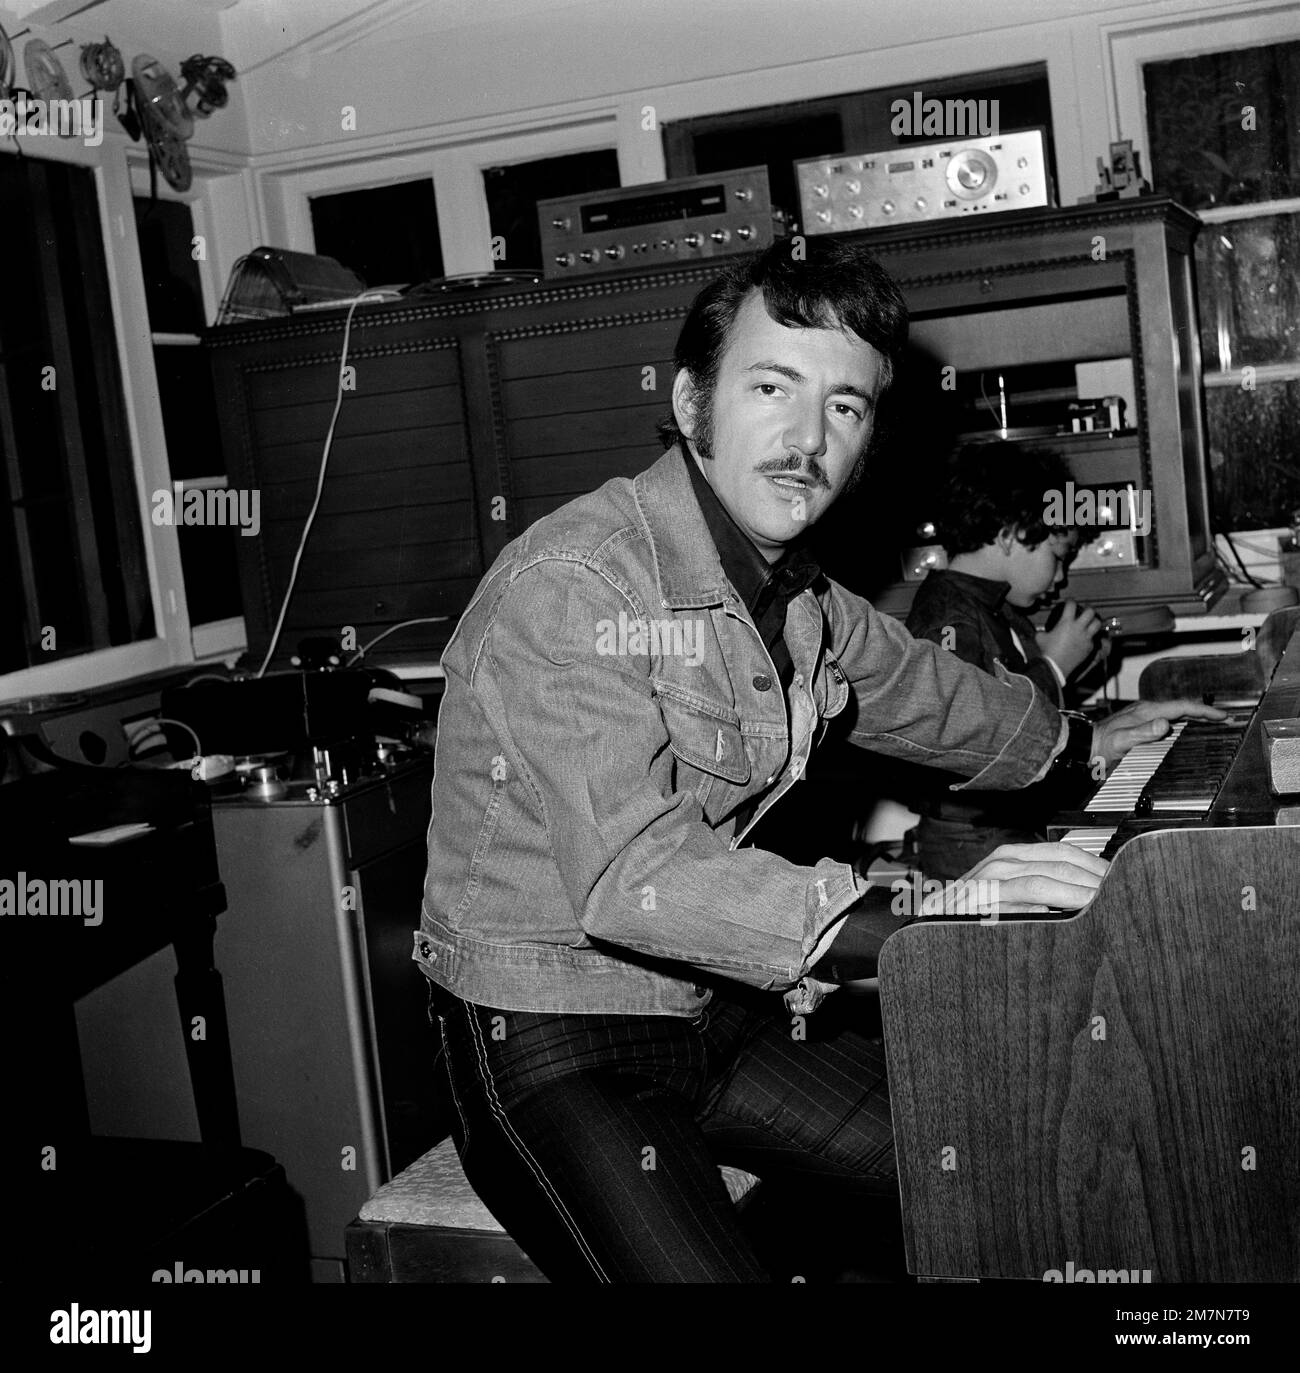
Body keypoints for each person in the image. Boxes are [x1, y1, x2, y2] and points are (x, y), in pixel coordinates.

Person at [413, 238, 1220, 1283]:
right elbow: (636, 880)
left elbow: (937, 699)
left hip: (718, 1006)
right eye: (771, 386)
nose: (807, 437)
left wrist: (1074, 743)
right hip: (558, 1033)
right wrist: (926, 910)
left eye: (845, 406)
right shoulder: (577, 582)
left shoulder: (798, 590)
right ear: (693, 398)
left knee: (1005, 1162)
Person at [903, 443, 1105, 879]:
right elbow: (969, 728)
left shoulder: (999, 608)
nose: (1060, 578)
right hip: (970, 840)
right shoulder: (948, 616)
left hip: (1003, 827)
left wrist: (1073, 662)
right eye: (1058, 558)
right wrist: (1054, 667)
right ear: (1013, 532)